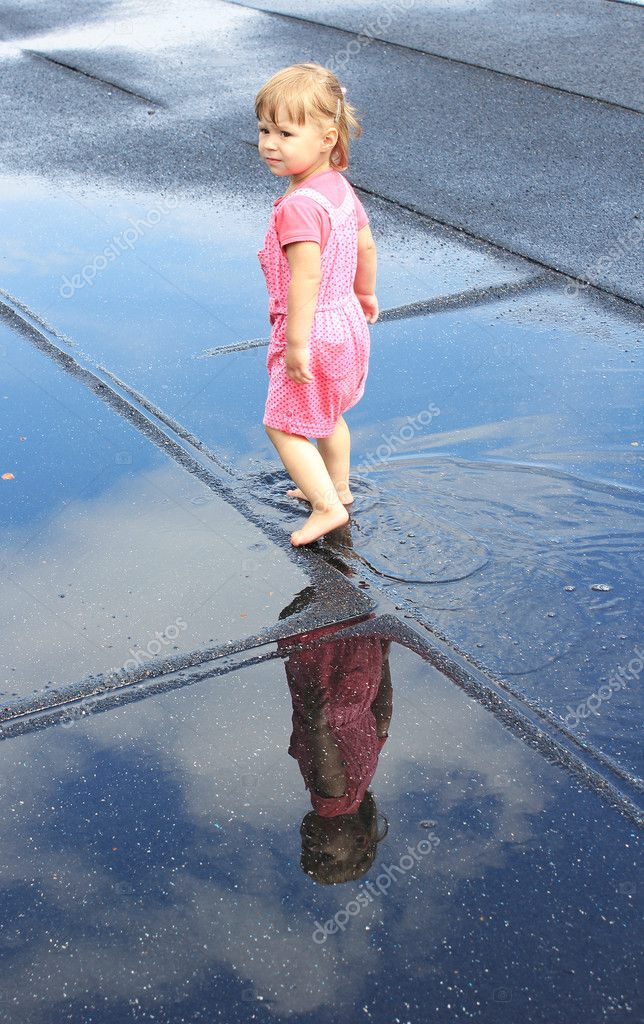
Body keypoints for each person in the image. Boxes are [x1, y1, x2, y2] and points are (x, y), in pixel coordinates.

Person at [255, 62, 379, 547]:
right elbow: (366, 245)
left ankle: (326, 507)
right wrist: (366, 292)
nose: (269, 143)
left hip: (314, 329)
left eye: (286, 132)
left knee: (282, 425)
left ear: (327, 137)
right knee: (328, 415)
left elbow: (305, 277)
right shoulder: (338, 189)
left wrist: (295, 344)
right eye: (264, 129)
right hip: (345, 318)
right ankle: (339, 489)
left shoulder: (299, 206)